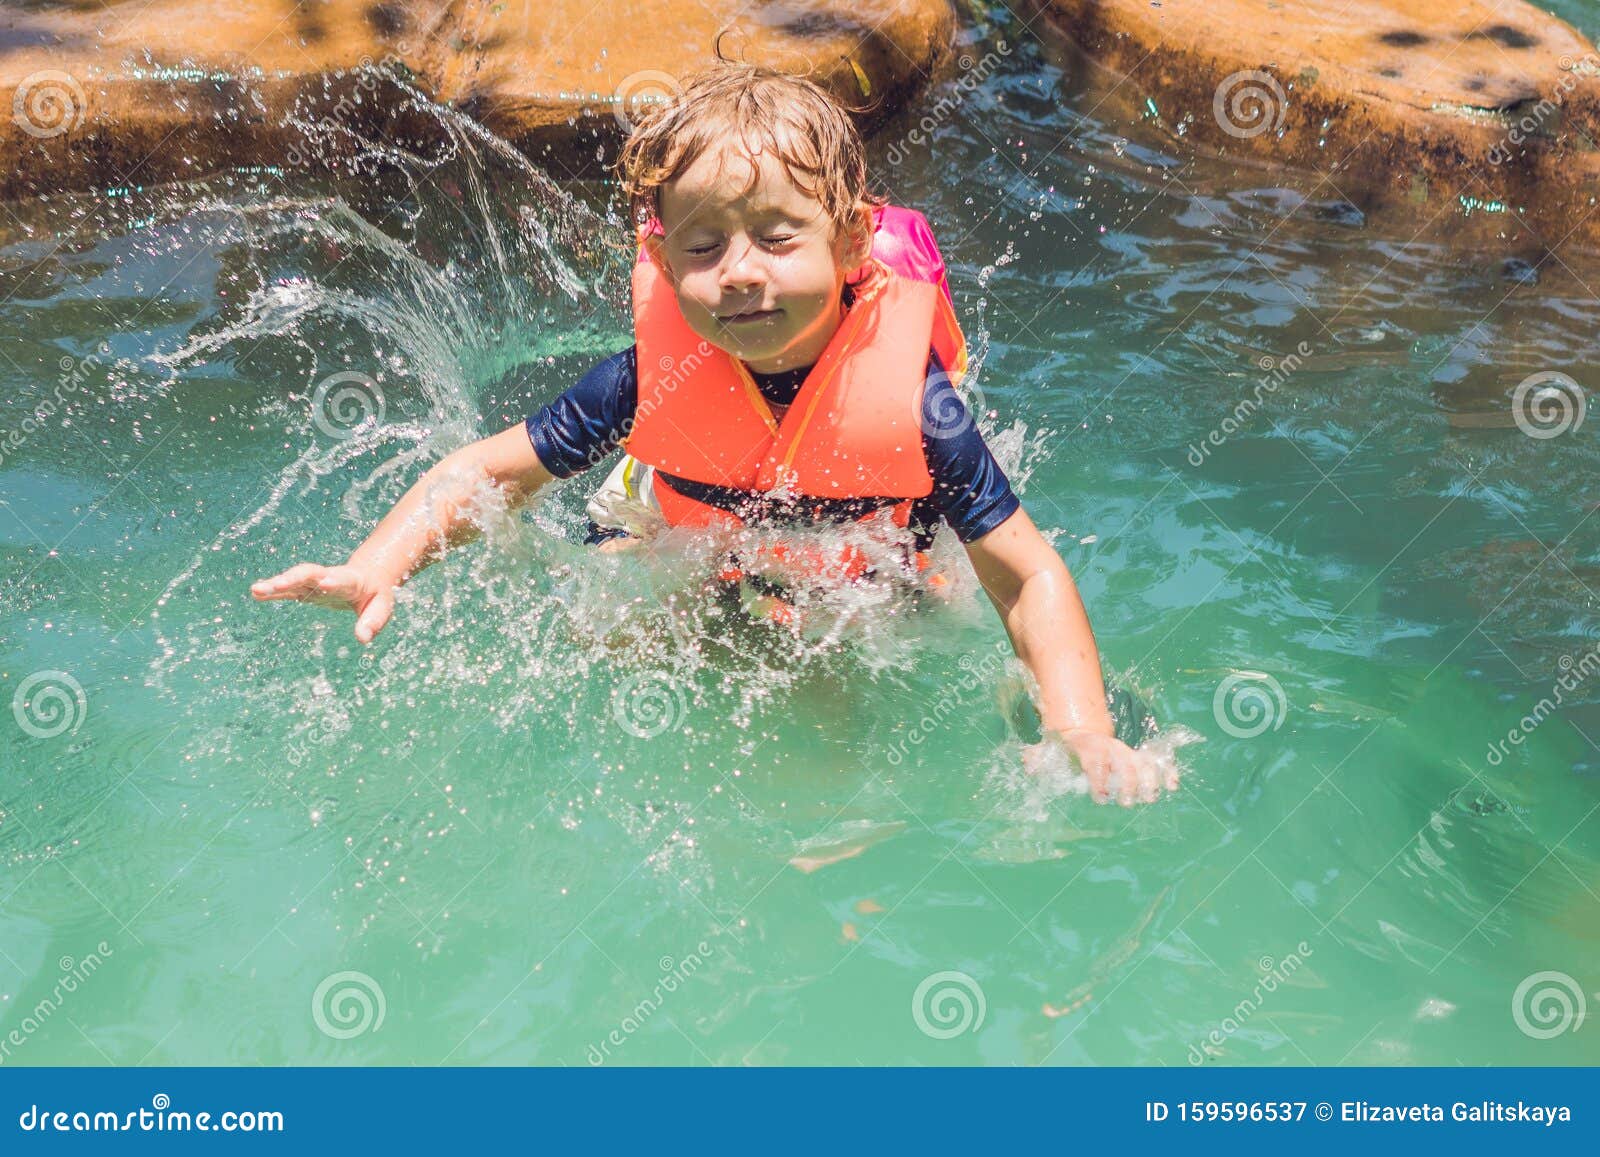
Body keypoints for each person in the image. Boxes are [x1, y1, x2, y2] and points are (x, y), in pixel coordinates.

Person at [251, 62, 1178, 806]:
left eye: (778, 239)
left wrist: (1082, 726)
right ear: (661, 259)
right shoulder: (650, 376)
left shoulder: (922, 408)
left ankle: (1029, 737)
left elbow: (1028, 573)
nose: (738, 273)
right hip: (683, 522)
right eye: (703, 247)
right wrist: (382, 562)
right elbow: (485, 473)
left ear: (852, 245)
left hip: (873, 544)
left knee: (874, 670)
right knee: (603, 640)